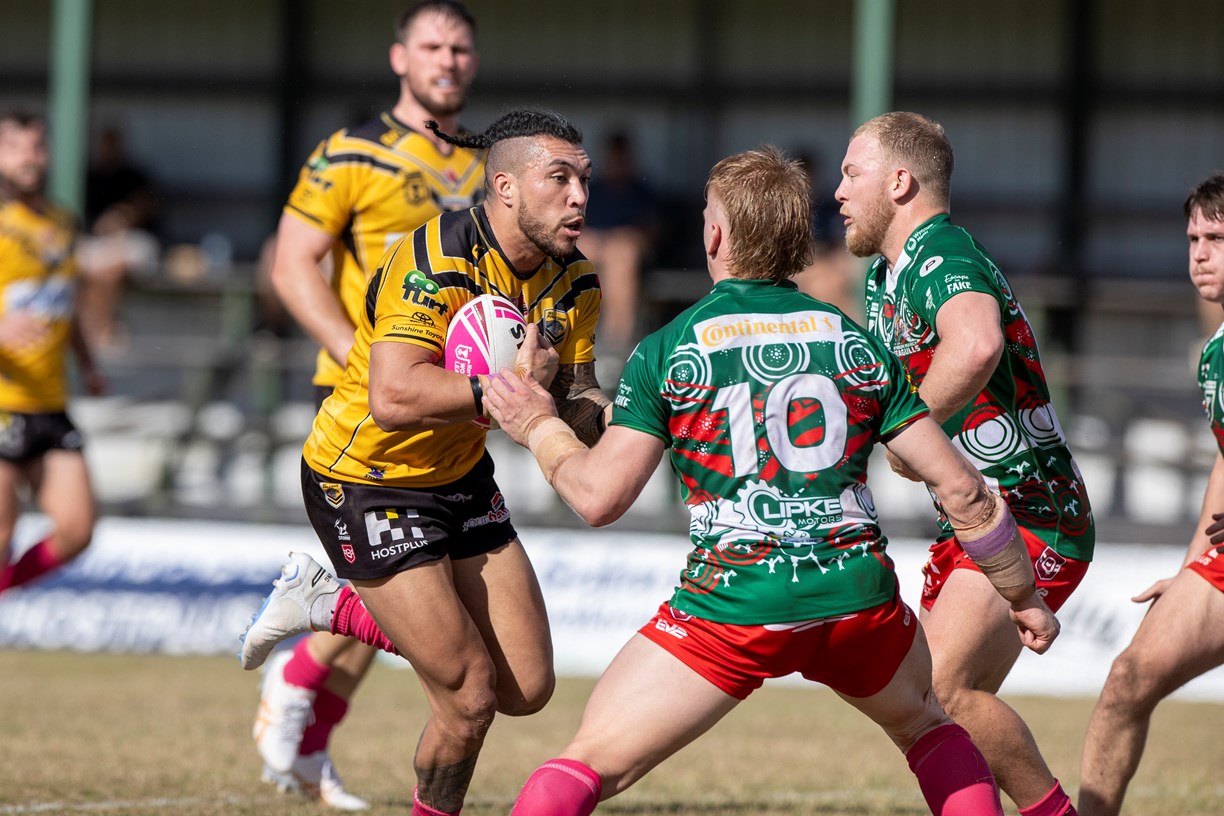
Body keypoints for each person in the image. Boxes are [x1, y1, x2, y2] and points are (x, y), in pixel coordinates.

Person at [480, 146, 1060, 815]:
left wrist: (534, 422)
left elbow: (597, 496)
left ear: (716, 235)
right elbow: (964, 492)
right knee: (929, 726)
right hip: (855, 602)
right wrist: (1022, 597)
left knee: (586, 765)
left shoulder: (671, 348)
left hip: (734, 607)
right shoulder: (855, 343)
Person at [239, 107, 610, 816]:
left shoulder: (576, 284)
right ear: (504, 187)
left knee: (526, 689)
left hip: (460, 477)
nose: (579, 197)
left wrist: (636, 422)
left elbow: (578, 399)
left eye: (584, 180)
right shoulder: (434, 257)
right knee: (468, 695)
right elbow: (394, 395)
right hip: (365, 479)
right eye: (558, 179)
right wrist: (509, 390)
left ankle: (327, 602)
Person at [252, 1, 486, 808]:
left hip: (454, 405)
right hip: (370, 404)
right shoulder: (349, 153)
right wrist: (360, 353)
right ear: (399, 58)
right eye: (431, 46)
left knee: (418, 600)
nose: (447, 60)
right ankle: (302, 714)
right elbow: (290, 265)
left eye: (459, 47)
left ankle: (307, 714)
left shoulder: (495, 168)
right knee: (422, 603)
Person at [837, 111, 1094, 816]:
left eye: (850, 173)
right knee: (924, 702)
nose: (837, 192)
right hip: (981, 518)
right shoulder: (888, 276)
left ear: (899, 181)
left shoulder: (940, 252)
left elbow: (976, 345)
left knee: (941, 692)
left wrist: (909, 432)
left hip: (1032, 511)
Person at [1077, 173, 1224, 816]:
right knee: (1126, 681)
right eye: (1192, 237)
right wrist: (1191, 565)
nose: (1198, 253)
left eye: (1216, 238)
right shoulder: (1214, 355)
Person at [0, 110, 104, 596]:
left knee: (77, 529)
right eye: (16, 147)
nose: (30, 158)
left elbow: (63, 302)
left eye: (37, 147)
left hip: (50, 402)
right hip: (2, 402)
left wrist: (85, 362)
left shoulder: (62, 220)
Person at [75, 126, 161, 351]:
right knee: (81, 265)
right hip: (99, 243)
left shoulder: (134, 174)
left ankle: (101, 327)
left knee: (110, 267)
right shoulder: (91, 176)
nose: (108, 149)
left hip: (134, 242)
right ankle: (94, 327)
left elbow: (148, 205)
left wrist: (124, 215)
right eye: (105, 144)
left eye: (113, 143)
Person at [577, 130, 659, 364]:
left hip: (628, 253)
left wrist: (618, 238)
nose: (617, 163)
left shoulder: (640, 190)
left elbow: (652, 232)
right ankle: (577, 336)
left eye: (621, 157)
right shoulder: (595, 189)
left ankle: (615, 346)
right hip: (597, 248)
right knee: (584, 248)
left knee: (621, 253)